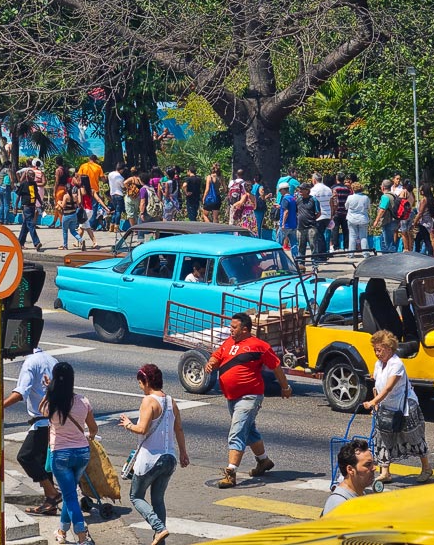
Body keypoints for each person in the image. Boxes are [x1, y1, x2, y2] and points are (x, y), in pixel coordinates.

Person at [205, 312, 292, 488]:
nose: (230, 330)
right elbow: (217, 355)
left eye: (234, 327)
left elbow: (276, 366)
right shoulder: (229, 342)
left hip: (250, 396)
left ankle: (231, 473)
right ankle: (263, 461)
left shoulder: (259, 346)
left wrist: (285, 387)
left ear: (245, 329)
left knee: (237, 431)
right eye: (230, 327)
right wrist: (211, 363)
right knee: (249, 430)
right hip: (232, 397)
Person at [119, 364, 189, 545]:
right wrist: (183, 452)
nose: (140, 386)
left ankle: (158, 528)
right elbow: (179, 429)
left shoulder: (148, 401)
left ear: (147, 381)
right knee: (158, 499)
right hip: (169, 458)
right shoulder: (171, 401)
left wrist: (128, 424)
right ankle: (160, 539)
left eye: (140, 383)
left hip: (150, 459)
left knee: (136, 496)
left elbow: (142, 429)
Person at [0, 347, 62, 514]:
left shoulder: (30, 362)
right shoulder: (51, 359)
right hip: (55, 420)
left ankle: (53, 493)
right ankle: (50, 503)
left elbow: (20, 392)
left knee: (25, 457)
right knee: (43, 462)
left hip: (43, 422)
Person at [363, 330, 432, 484]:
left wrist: (373, 402)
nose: (377, 353)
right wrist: (376, 403)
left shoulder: (397, 364)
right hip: (386, 406)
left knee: (414, 437)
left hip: (404, 406)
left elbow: (388, 388)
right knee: (382, 437)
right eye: (375, 350)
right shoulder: (378, 364)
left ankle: (426, 468)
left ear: (389, 348)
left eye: (379, 350)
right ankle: (385, 472)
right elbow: (377, 386)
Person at [44, 362, 98, 545]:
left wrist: (49, 389)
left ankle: (82, 536)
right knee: (70, 494)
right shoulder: (83, 401)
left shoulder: (51, 403)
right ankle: (62, 531)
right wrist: (89, 435)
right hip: (82, 454)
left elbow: (40, 410)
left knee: (70, 496)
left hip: (61, 455)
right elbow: (93, 428)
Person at [321, 439, 375, 517]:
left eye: (373, 463)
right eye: (368, 465)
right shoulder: (339, 503)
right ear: (350, 470)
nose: (374, 468)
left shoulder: (361, 494)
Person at [16, 169, 44, 250]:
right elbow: (18, 196)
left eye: (34, 176)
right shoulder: (23, 184)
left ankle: (20, 243)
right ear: (27, 176)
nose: (33, 177)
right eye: (31, 176)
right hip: (26, 207)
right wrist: (15, 207)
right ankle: (36, 243)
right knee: (31, 225)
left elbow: (36, 194)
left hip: (32, 206)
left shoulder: (34, 184)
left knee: (25, 226)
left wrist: (41, 203)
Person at [296, 183, 321, 269]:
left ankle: (315, 266)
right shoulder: (298, 200)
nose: (300, 191)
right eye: (299, 189)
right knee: (301, 248)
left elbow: (318, 213)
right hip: (300, 228)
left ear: (307, 190)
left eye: (302, 189)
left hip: (311, 228)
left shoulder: (313, 200)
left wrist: (312, 219)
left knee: (313, 247)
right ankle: (301, 265)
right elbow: (296, 211)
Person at [372, 180, 399, 253]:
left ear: (383, 187)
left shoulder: (385, 197)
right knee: (384, 241)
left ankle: (392, 257)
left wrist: (376, 221)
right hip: (395, 220)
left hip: (388, 222)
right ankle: (385, 256)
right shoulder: (394, 195)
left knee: (389, 243)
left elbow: (382, 210)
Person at [345, 182, 371, 257]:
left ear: (353, 189)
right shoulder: (366, 198)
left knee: (352, 236)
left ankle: (351, 254)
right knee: (363, 236)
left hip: (352, 218)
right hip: (363, 218)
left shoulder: (350, 197)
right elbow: (368, 207)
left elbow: (346, 206)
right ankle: (365, 253)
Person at [59, 174, 83, 250]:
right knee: (73, 230)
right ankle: (81, 240)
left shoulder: (66, 196)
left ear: (66, 189)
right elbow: (78, 204)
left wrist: (59, 203)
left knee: (65, 231)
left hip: (66, 215)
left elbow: (63, 206)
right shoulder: (75, 196)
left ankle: (65, 246)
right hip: (74, 215)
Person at [414, 184, 434, 257]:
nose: (420, 191)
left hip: (424, 223)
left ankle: (430, 254)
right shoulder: (430, 199)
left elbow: (420, 213)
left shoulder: (424, 200)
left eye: (421, 190)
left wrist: (415, 222)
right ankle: (417, 253)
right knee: (418, 239)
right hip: (429, 222)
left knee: (426, 240)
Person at [276, 183, 298, 257]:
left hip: (286, 225)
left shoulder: (285, 199)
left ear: (283, 190)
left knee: (278, 243)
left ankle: (279, 259)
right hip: (293, 225)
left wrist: (283, 224)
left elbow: (286, 211)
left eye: (280, 190)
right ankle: (296, 259)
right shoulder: (293, 198)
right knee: (294, 243)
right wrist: (280, 206)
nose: (280, 192)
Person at [331, 173, 351, 251]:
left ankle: (336, 247)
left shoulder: (334, 188)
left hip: (336, 212)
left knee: (335, 230)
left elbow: (332, 200)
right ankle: (346, 247)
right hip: (345, 212)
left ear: (337, 179)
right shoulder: (347, 189)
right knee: (346, 230)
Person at [398, 179, 417, 252]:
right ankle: (410, 248)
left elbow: (400, 201)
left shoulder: (404, 192)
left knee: (403, 232)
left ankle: (406, 248)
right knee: (409, 231)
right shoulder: (412, 193)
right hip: (411, 212)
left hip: (405, 213)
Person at [107, 162, 126, 231]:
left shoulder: (110, 174)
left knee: (115, 210)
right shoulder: (121, 177)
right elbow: (123, 187)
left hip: (112, 194)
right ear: (121, 169)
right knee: (118, 211)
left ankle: (111, 225)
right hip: (119, 194)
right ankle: (116, 226)